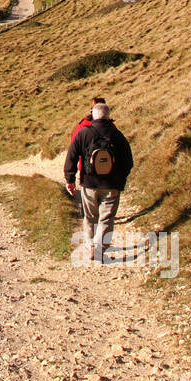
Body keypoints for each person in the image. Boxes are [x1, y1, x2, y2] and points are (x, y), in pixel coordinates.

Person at [63, 101, 133, 263]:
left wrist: (70, 179)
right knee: (106, 218)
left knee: (90, 216)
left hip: (89, 183)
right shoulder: (117, 134)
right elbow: (128, 161)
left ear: (93, 115)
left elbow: (71, 157)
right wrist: (121, 177)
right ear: (108, 117)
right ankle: (100, 247)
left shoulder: (83, 133)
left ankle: (90, 245)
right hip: (112, 185)